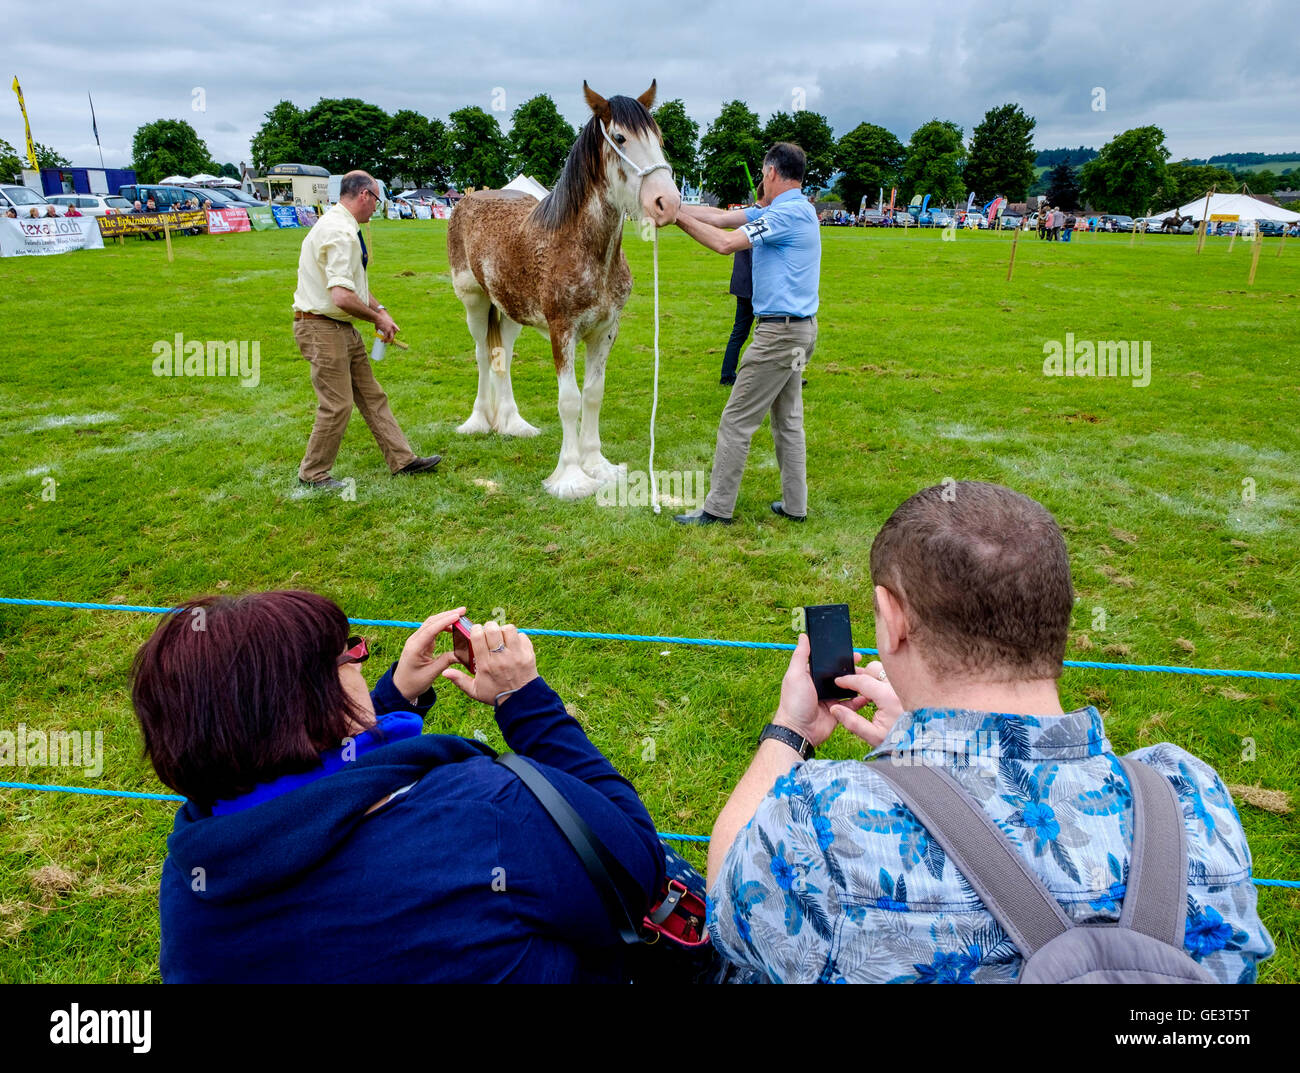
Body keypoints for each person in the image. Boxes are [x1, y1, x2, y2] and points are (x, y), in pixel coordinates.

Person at [706, 481, 1274, 983]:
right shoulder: (1190, 795)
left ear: (895, 618)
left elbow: (726, 907)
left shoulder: (823, 817)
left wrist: (792, 730)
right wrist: (925, 769)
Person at [132, 591, 670, 983]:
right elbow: (636, 867)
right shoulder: (491, 812)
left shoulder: (196, 874)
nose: (361, 660)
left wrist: (386, 704)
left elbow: (307, 800)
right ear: (321, 702)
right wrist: (526, 700)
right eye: (351, 653)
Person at [671, 142, 820, 526]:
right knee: (788, 420)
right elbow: (721, 218)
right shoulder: (789, 209)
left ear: (770, 173)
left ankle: (717, 510)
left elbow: (723, 243)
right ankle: (795, 506)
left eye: (763, 173)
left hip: (780, 336)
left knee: (736, 421)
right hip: (798, 332)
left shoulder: (785, 216)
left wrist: (676, 220)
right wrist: (673, 205)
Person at [292, 169, 440, 491]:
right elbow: (341, 296)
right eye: (377, 199)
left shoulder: (341, 223)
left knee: (372, 396)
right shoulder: (341, 233)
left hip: (337, 325)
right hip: (322, 327)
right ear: (364, 196)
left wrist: (380, 310)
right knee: (337, 404)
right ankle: (313, 474)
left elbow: (352, 286)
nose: (378, 206)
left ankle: (402, 460)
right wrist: (377, 320)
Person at [719, 182, 767, 387]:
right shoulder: (760, 217)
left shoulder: (745, 215)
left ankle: (728, 374)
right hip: (755, 285)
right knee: (772, 334)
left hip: (743, 283)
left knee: (740, 331)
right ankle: (783, 375)